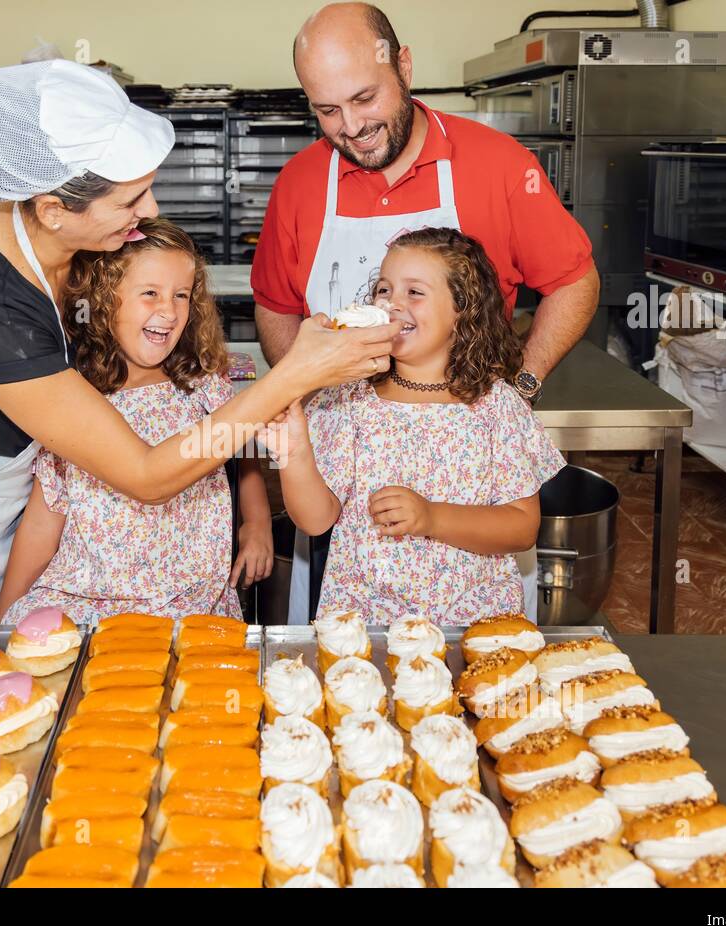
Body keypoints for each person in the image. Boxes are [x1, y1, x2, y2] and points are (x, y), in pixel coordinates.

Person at [0, 60, 399, 634]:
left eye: (148, 191)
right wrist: (295, 372)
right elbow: (144, 474)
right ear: (52, 211)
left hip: (4, 496)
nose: (149, 212)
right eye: (129, 201)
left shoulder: (62, 235)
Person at [251, 2, 599, 622]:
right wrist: (302, 396)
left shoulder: (498, 165)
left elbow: (574, 281)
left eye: (364, 99)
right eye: (327, 110)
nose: (351, 126)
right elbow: (276, 304)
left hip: (470, 576)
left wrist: (520, 387)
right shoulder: (300, 183)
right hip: (351, 529)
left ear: (403, 66)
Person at [262, 227, 565, 623]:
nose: (392, 304)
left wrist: (432, 517)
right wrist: (296, 453)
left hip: (471, 620)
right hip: (366, 619)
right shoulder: (347, 398)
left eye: (414, 293)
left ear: (463, 309)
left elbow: (522, 527)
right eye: (384, 290)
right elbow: (316, 520)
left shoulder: (498, 406)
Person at [0, 219, 273, 624]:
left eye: (181, 296)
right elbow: (43, 519)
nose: (169, 310)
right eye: (150, 293)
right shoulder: (73, 396)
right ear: (105, 300)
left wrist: (257, 524)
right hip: (84, 599)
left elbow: (243, 454)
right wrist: (3, 619)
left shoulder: (202, 386)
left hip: (187, 601)